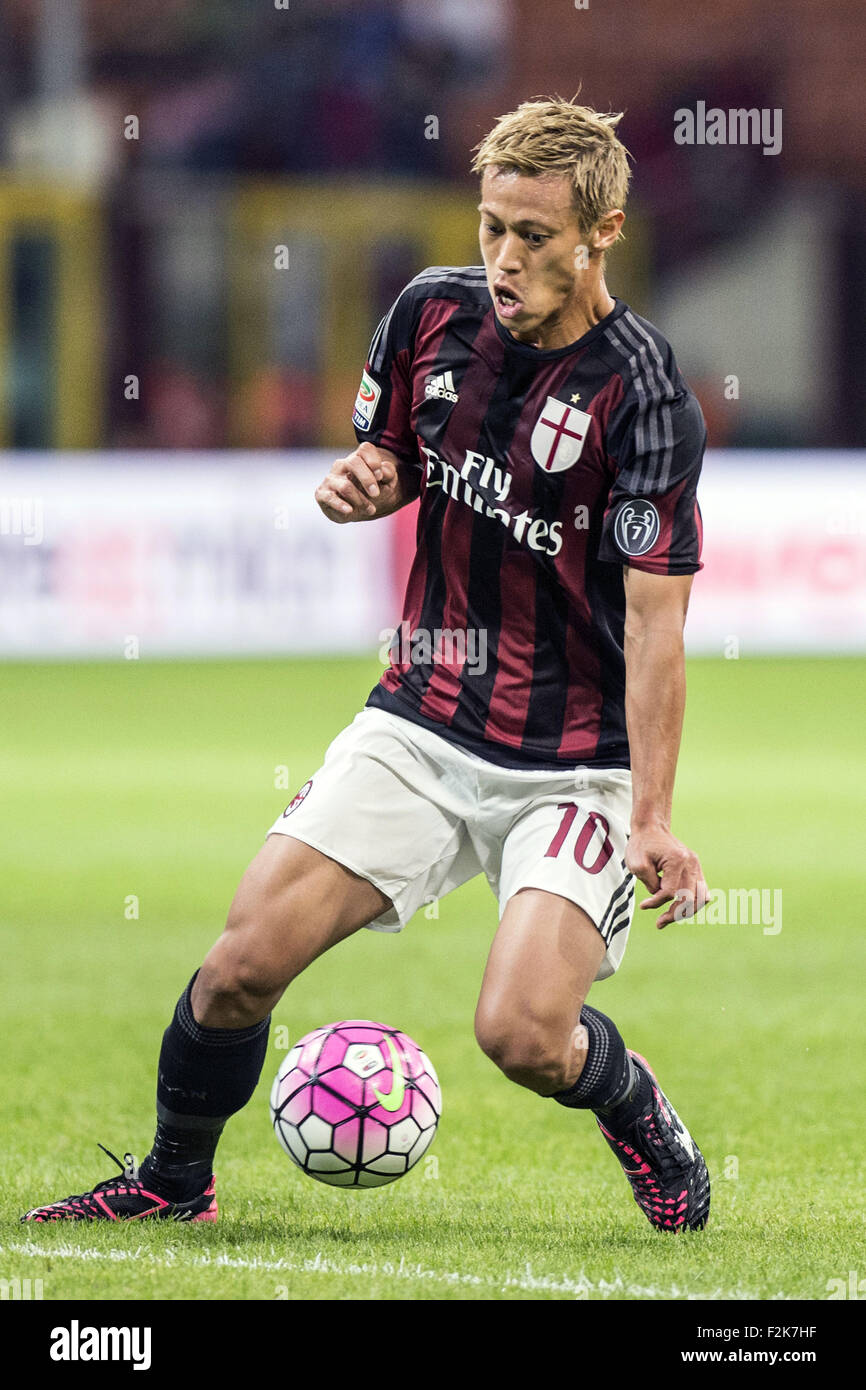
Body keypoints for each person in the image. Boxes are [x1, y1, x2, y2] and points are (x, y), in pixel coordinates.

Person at [23, 98, 710, 1231]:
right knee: (239, 965)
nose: (502, 258)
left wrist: (651, 815)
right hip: (420, 722)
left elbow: (655, 625)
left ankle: (635, 1106)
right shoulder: (427, 314)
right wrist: (365, 484)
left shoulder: (641, 393)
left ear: (602, 233)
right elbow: (394, 455)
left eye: (534, 236)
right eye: (491, 226)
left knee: (522, 1036)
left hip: (570, 761)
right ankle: (171, 1181)